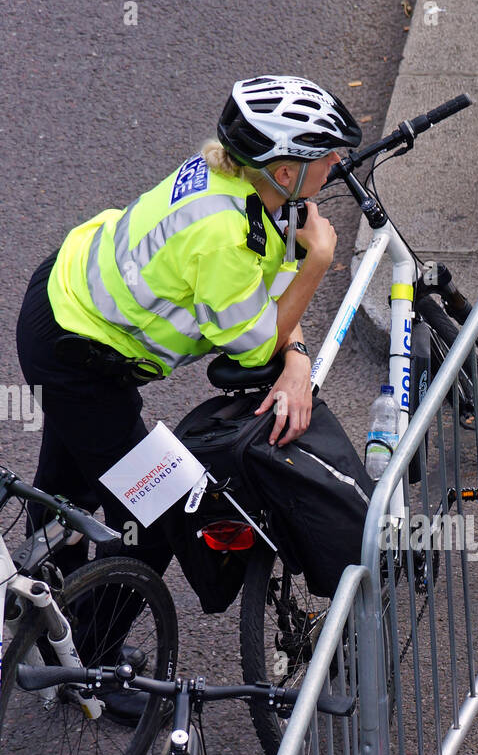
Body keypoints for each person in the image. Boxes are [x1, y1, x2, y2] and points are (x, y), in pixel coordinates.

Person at [16, 74, 362, 581]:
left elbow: (271, 298)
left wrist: (297, 353)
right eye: (327, 155)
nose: (337, 164)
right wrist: (318, 263)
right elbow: (253, 347)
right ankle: (92, 652)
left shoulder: (234, 176)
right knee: (155, 517)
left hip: (63, 298)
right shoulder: (225, 236)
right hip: (77, 357)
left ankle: (48, 611)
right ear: (285, 172)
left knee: (68, 487)